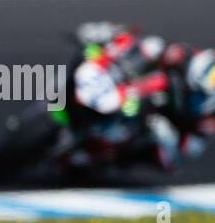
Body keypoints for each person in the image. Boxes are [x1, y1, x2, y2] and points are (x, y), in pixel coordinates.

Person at [71, 21, 215, 172]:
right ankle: (103, 44)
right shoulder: (186, 55)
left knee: (163, 157)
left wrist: (169, 136)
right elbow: (156, 49)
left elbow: (192, 146)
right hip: (137, 83)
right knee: (150, 44)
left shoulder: (208, 112)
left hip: (154, 117)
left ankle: (109, 159)